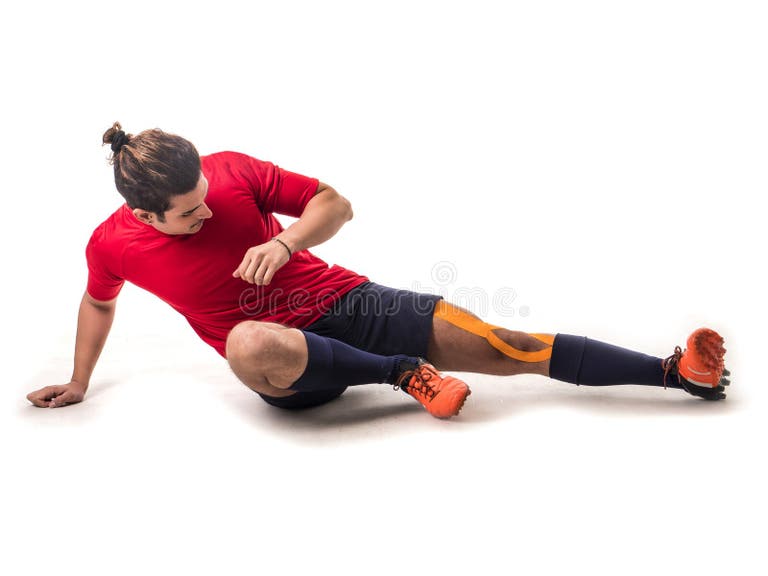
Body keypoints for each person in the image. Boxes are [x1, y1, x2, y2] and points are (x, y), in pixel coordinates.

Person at [25, 123, 731, 418]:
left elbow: (336, 204)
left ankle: (673, 374)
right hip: (291, 368)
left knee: (505, 343)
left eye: (205, 200)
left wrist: (288, 244)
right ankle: (401, 375)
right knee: (247, 342)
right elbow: (98, 304)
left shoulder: (231, 173)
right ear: (145, 217)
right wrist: (82, 380)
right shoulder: (111, 246)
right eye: (187, 215)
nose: (206, 214)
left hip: (348, 304)